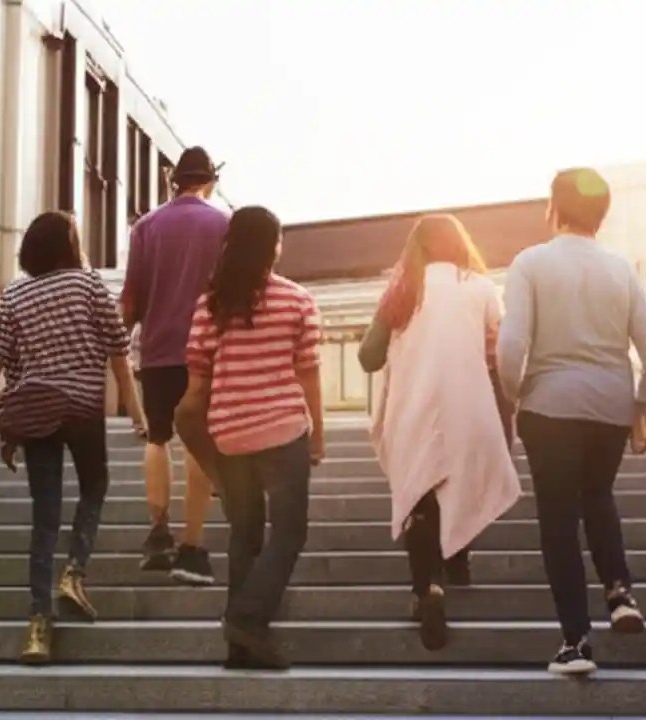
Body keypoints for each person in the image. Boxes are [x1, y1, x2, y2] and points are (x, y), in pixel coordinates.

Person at [497, 167, 646, 675]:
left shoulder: (530, 263)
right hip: (611, 409)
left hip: (549, 406)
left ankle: (576, 642)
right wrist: (639, 407)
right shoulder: (622, 270)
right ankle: (620, 593)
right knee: (597, 495)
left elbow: (511, 346)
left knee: (557, 521)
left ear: (553, 208)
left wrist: (518, 393)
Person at [0, 211, 133, 665]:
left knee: (45, 516)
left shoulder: (15, 293)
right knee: (95, 485)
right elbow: (120, 352)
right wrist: (137, 415)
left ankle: (38, 627)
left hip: (35, 409)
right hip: (81, 408)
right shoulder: (88, 283)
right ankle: (74, 572)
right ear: (69, 244)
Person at [359, 214, 521, 652]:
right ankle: (458, 561)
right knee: (461, 478)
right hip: (468, 402)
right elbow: (501, 349)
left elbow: (368, 358)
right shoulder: (482, 287)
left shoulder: (402, 289)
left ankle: (426, 588)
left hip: (412, 406)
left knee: (420, 491)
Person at [175, 206, 324, 670]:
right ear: (274, 245)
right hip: (282, 430)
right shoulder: (296, 300)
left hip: (229, 433)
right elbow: (309, 374)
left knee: (244, 533)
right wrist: (316, 433)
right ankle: (245, 618)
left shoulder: (210, 305)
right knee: (290, 532)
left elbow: (195, 389)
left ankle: (241, 648)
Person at [121, 146, 228, 585]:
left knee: (158, 436)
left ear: (174, 180)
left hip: (159, 349)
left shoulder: (146, 227)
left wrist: (119, 342)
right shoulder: (225, 224)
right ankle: (192, 546)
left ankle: (158, 533)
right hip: (208, 350)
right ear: (210, 180)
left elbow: (131, 297)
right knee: (198, 439)